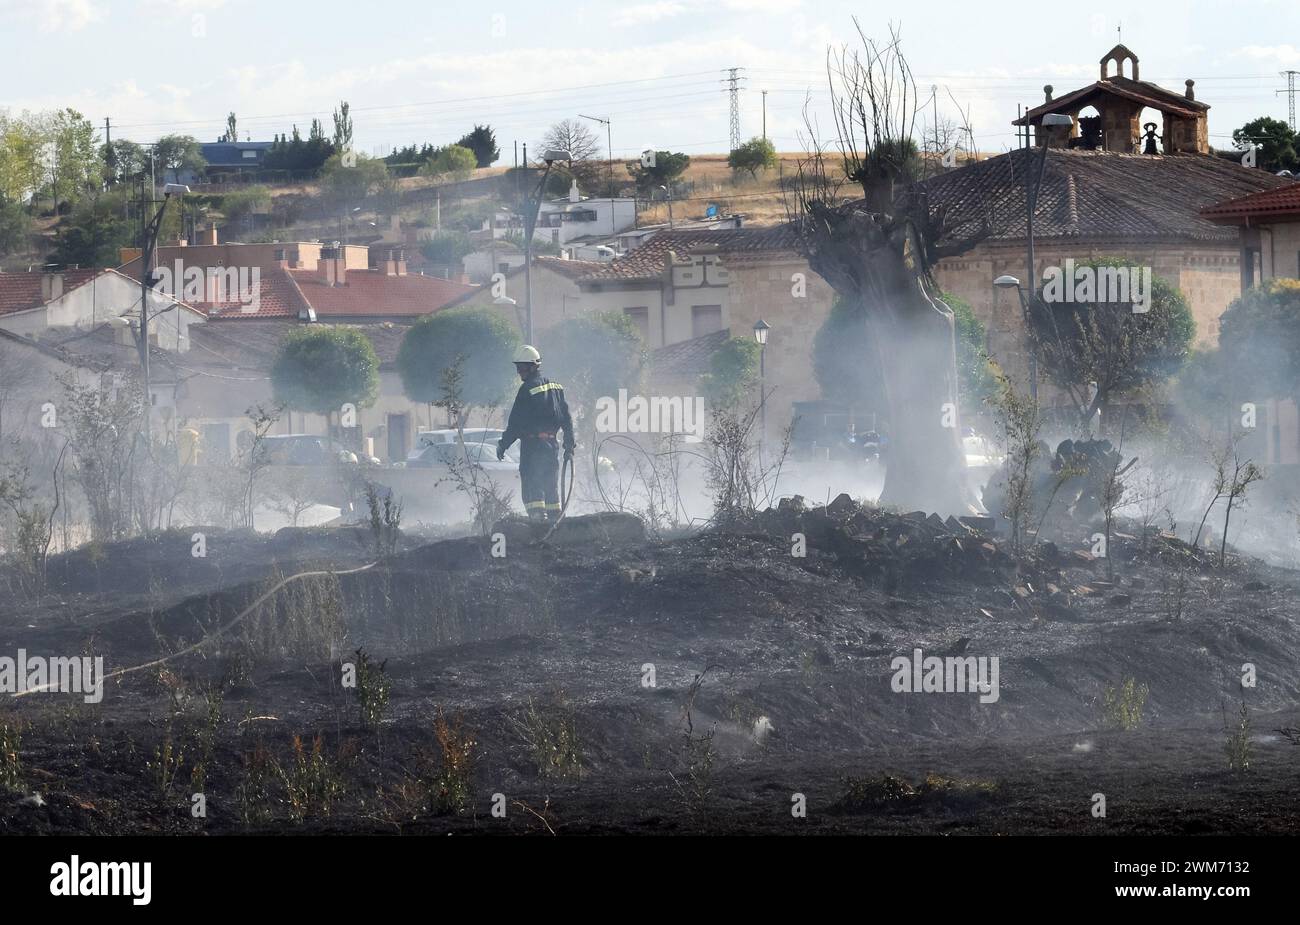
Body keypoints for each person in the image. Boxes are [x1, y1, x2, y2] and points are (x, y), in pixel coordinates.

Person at [497, 345, 575, 523]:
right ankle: (555, 522)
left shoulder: (526, 390)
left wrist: (503, 444)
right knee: (550, 484)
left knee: (533, 484)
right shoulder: (557, 388)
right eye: (517, 367)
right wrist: (569, 445)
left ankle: (537, 522)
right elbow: (567, 420)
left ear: (533, 366)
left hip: (532, 447)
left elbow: (515, 423)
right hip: (551, 446)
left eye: (521, 367)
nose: (519, 372)